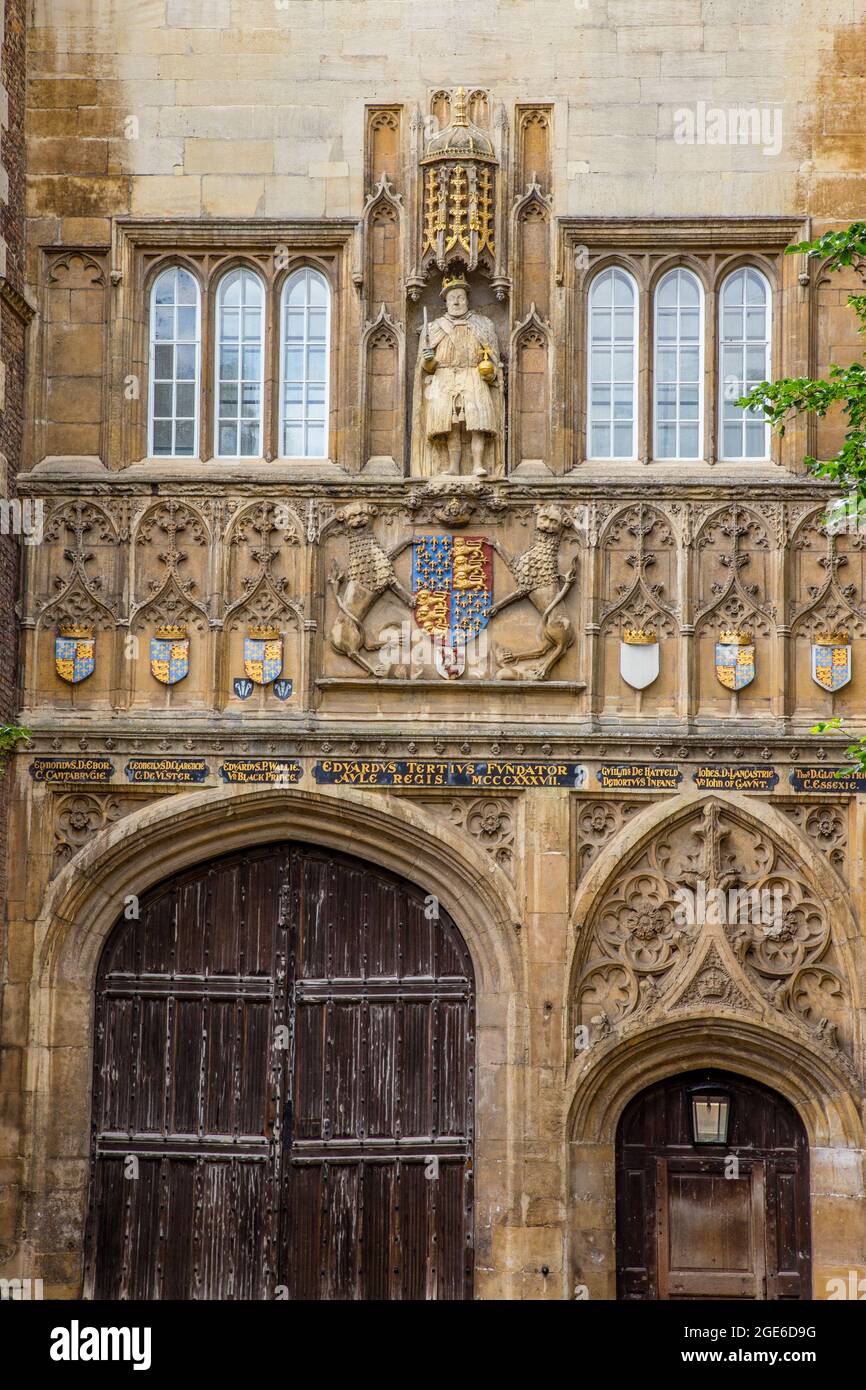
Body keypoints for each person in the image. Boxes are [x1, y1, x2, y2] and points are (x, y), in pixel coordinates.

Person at [411, 273, 503, 477]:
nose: (456, 301)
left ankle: (478, 464)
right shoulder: (434, 328)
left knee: (476, 423)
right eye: (452, 297)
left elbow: (494, 358)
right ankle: (453, 467)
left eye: (460, 296)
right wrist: (428, 359)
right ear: (445, 301)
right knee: (452, 425)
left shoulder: (483, 324)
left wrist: (489, 370)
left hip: (473, 375)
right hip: (445, 379)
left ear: (467, 299)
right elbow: (427, 367)